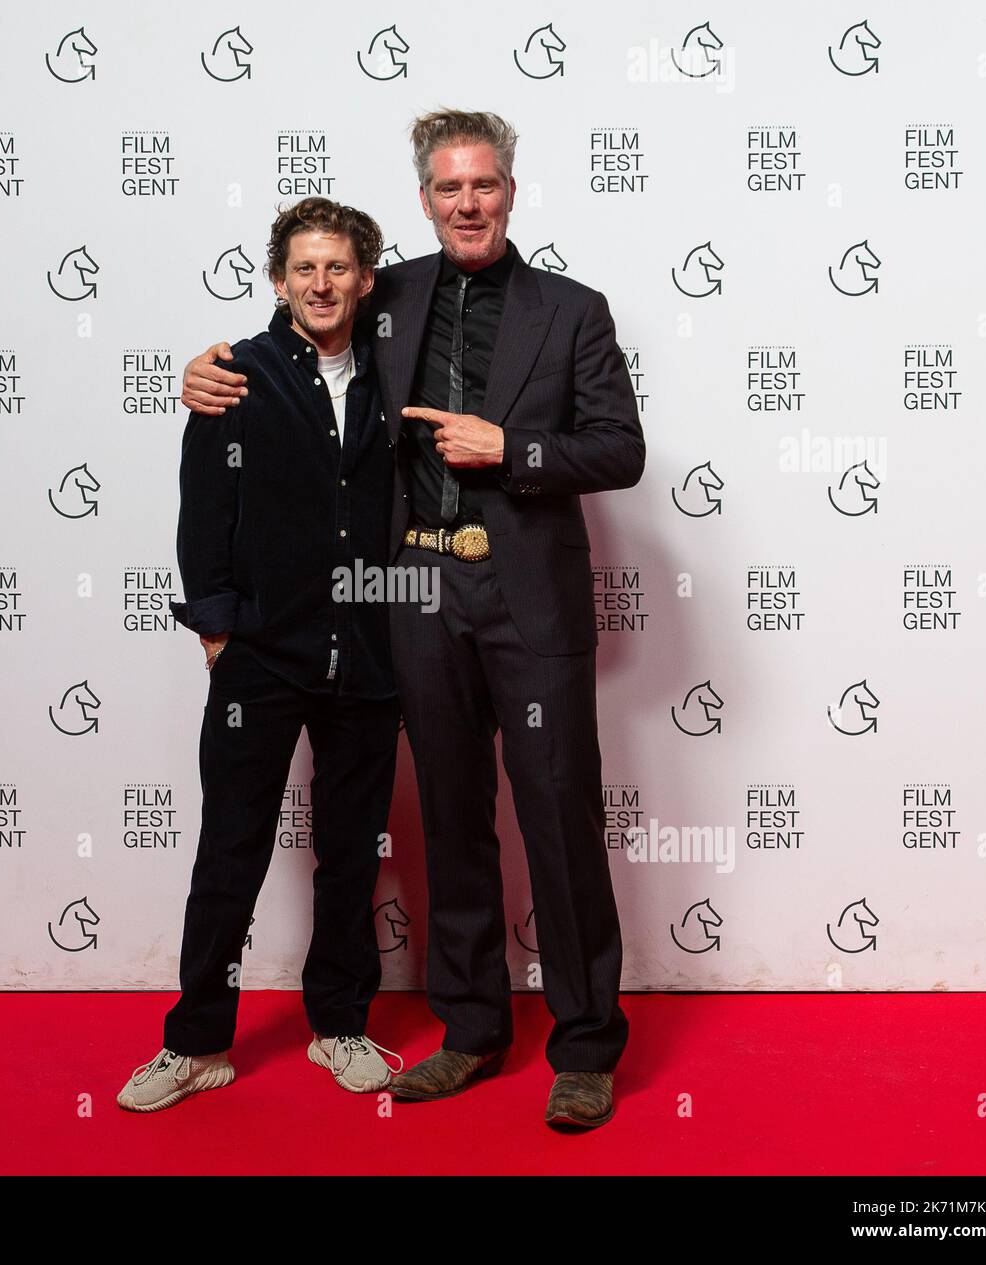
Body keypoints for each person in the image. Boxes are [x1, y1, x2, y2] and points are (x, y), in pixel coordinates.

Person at [181, 110, 645, 1130]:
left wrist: (512, 448)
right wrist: (210, 374)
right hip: (415, 596)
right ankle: (473, 1028)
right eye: (447, 188)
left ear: (509, 192)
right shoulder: (387, 297)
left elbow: (619, 450)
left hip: (525, 597)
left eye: (483, 185)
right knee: (449, 817)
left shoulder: (571, 310)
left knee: (558, 816)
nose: (467, 202)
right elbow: (306, 329)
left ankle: (583, 1044)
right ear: (425, 200)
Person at [117, 197, 404, 1113]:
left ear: (366, 278)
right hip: (261, 654)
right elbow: (203, 509)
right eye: (304, 268)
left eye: (339, 268)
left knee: (352, 851)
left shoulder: (397, 376)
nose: (322, 284)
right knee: (230, 848)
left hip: (368, 650)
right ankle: (196, 1041)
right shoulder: (235, 375)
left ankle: (340, 1024)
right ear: (280, 280)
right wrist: (216, 628)